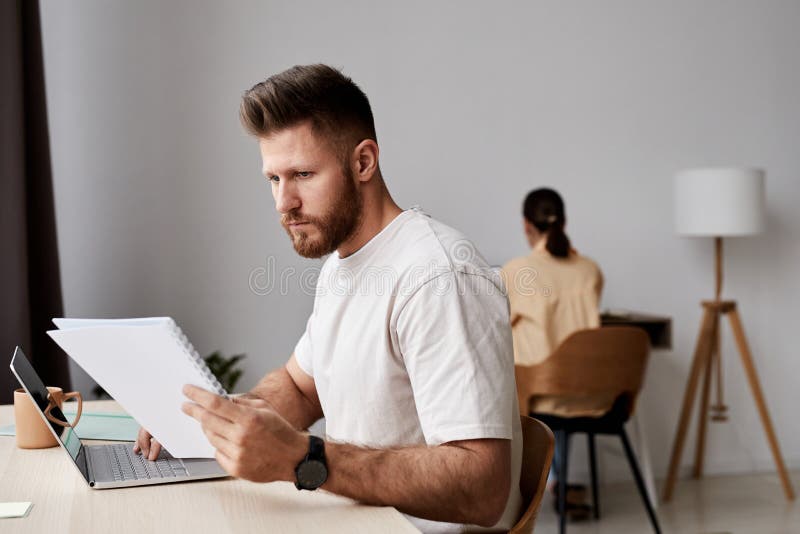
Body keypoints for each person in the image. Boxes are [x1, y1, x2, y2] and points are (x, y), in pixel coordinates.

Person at [133, 64, 522, 533]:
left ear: (363, 163)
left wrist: (305, 460)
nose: (284, 203)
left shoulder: (439, 276)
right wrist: (220, 422)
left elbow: (483, 489)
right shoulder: (343, 265)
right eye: (273, 179)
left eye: (302, 174)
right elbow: (301, 388)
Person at [501, 188, 606, 520]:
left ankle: (528, 486)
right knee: (558, 379)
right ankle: (557, 481)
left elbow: (495, 322)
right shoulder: (590, 270)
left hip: (541, 396)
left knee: (513, 366)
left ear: (526, 226)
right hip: (593, 393)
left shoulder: (519, 271)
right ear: (564, 222)